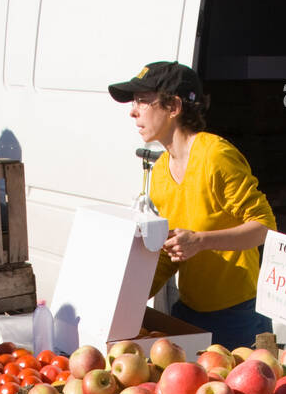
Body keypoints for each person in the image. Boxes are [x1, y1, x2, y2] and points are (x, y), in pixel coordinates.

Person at [108, 61, 276, 349]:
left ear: (173, 107)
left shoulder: (216, 156)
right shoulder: (160, 171)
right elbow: (164, 251)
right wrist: (125, 302)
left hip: (238, 315)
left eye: (143, 101)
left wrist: (201, 241)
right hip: (188, 310)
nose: (133, 111)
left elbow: (265, 228)